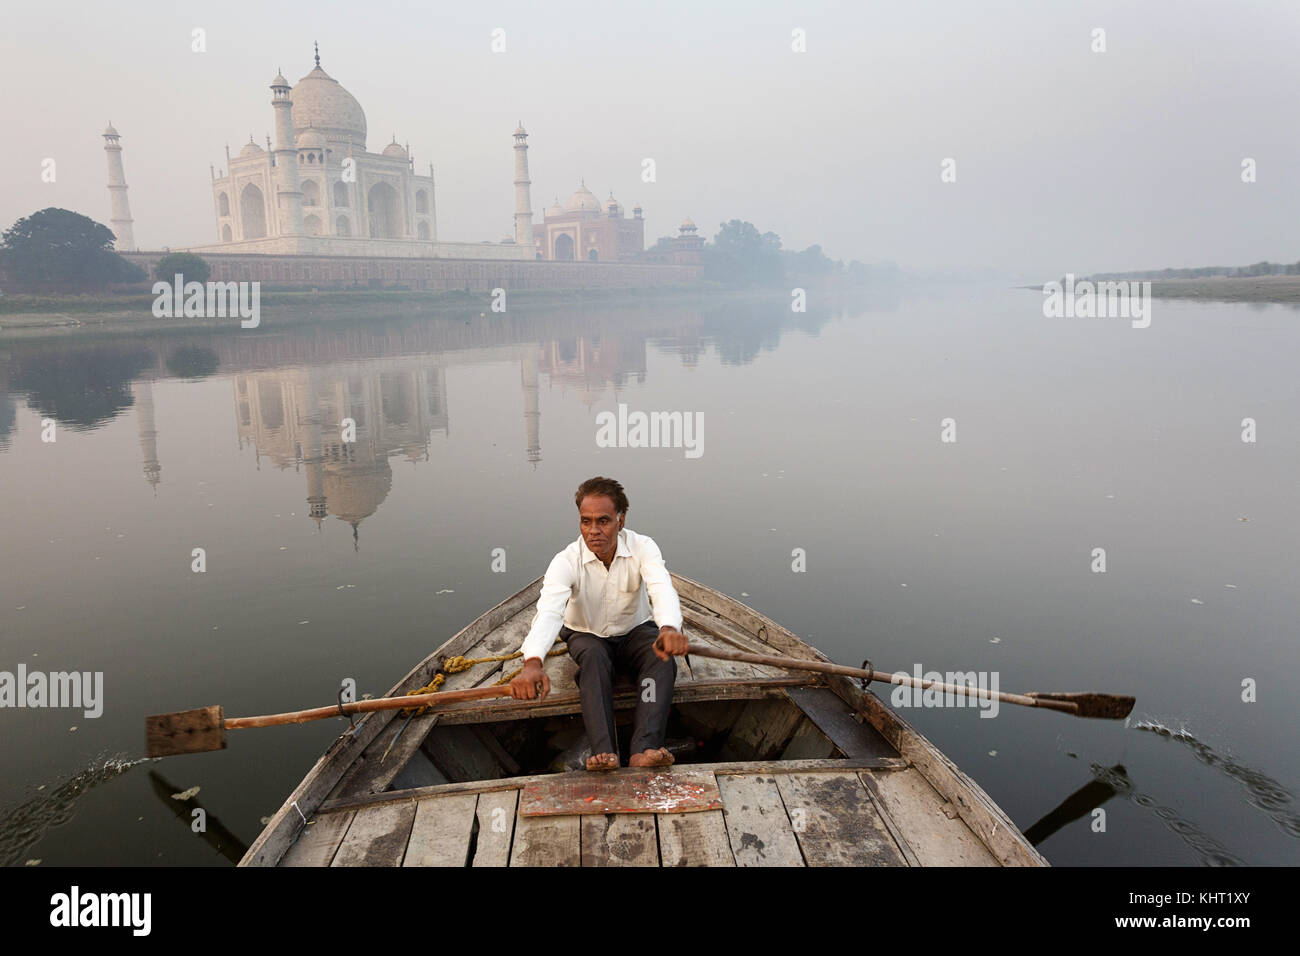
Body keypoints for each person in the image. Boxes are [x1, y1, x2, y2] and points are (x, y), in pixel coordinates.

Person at [510, 476, 689, 770]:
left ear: (621, 520)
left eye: (603, 521)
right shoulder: (565, 561)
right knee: (593, 659)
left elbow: (661, 587)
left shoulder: (643, 547)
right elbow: (550, 613)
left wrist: (669, 628)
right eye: (586, 521)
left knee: (662, 661)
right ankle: (604, 753)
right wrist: (532, 663)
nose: (594, 531)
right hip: (586, 634)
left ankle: (643, 750)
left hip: (635, 631)